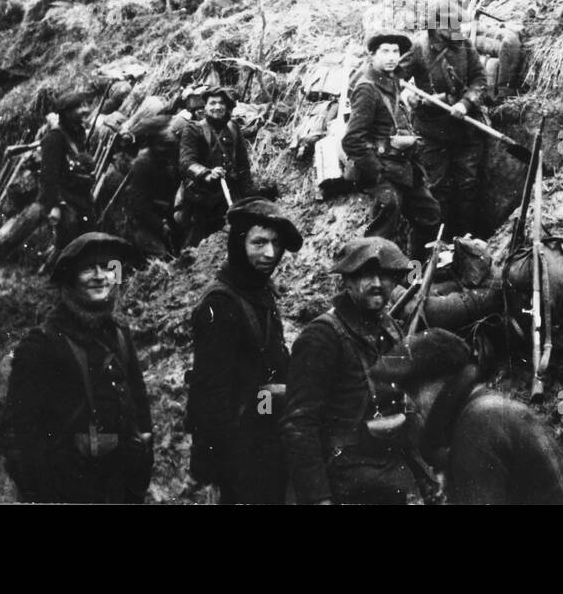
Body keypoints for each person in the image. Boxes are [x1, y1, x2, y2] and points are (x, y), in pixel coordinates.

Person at [2, 232, 154, 503]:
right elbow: (19, 431)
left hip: (119, 483)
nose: (100, 276)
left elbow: (138, 399)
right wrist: (38, 490)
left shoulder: (119, 333)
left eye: (107, 268)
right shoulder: (42, 344)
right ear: (69, 278)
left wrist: (143, 451)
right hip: (68, 486)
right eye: (87, 269)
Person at [281, 237, 418, 505]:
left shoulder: (391, 330)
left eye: (386, 276)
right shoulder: (322, 337)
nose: (377, 284)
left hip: (388, 476)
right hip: (343, 482)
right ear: (347, 280)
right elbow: (299, 424)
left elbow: (405, 406)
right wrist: (319, 498)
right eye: (366, 275)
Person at [186, 198, 301, 503]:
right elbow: (208, 393)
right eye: (259, 242)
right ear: (239, 244)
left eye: (276, 243)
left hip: (267, 437)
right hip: (238, 450)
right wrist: (209, 471)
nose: (270, 253)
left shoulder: (258, 290)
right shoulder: (221, 304)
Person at [375, 329, 563, 505]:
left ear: (442, 381)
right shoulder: (490, 410)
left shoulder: (476, 426)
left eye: (414, 391)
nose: (410, 404)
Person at [343, 31, 442, 260]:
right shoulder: (367, 88)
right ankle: (369, 276)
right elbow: (352, 140)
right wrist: (378, 173)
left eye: (396, 51)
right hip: (382, 169)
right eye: (385, 51)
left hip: (402, 165)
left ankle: (414, 276)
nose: (391, 57)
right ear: (372, 55)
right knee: (387, 216)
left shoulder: (392, 80)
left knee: (430, 214)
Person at [399, 0, 488, 239]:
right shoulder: (418, 47)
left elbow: (480, 79)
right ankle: (441, 245)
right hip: (431, 131)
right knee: (438, 189)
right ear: (436, 25)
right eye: (451, 24)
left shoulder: (462, 43)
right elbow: (396, 80)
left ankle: (468, 242)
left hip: (464, 128)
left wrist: (465, 102)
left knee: (468, 185)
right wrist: (409, 97)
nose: (457, 29)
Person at [178, 86, 252, 244]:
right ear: (205, 106)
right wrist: (206, 173)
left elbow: (243, 165)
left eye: (221, 103)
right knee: (195, 245)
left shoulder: (233, 128)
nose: (217, 107)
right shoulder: (193, 129)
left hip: (230, 195)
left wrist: (249, 196)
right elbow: (185, 162)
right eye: (212, 103)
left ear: (227, 107)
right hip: (202, 199)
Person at [39, 91, 96, 252]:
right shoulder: (54, 139)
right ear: (66, 113)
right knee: (68, 243)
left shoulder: (79, 133)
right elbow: (48, 177)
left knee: (89, 236)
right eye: (78, 107)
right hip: (64, 199)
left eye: (84, 105)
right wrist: (55, 206)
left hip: (81, 196)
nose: (84, 110)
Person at [122, 115, 180, 261]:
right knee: (162, 259)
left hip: (169, 215)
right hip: (144, 223)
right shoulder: (143, 164)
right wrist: (160, 226)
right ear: (155, 142)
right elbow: (138, 206)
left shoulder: (173, 155)